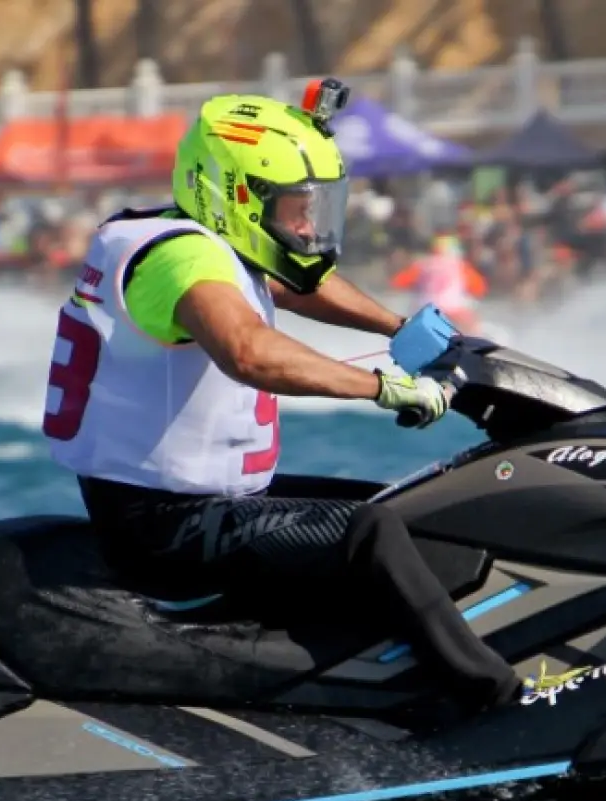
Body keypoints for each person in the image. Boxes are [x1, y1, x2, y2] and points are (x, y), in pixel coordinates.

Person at [40, 84, 523, 715]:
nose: (310, 225)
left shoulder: (199, 241)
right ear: (236, 195)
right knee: (367, 532)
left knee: (413, 502)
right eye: (299, 207)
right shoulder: (178, 261)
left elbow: (291, 286)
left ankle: (387, 682)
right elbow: (248, 350)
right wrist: (380, 385)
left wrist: (396, 328)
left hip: (211, 500)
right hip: (161, 525)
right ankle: (499, 702)